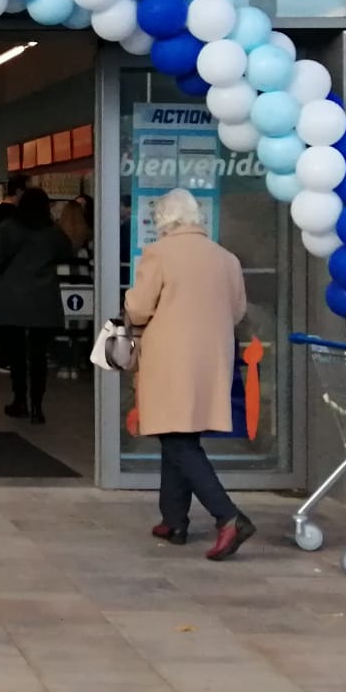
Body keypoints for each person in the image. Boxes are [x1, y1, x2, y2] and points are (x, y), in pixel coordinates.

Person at [123, 187, 255, 560]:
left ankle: (228, 517)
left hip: (170, 358)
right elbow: (238, 311)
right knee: (180, 433)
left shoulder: (158, 254)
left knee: (176, 438)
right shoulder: (226, 258)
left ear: (164, 219)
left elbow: (138, 309)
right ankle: (174, 519)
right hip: (212, 358)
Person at [0, 187, 74, 423]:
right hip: (43, 299)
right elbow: (67, 253)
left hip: (11, 298)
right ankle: (37, 406)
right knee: (38, 356)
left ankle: (19, 400)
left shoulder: (8, 228)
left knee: (16, 355)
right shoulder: (53, 232)